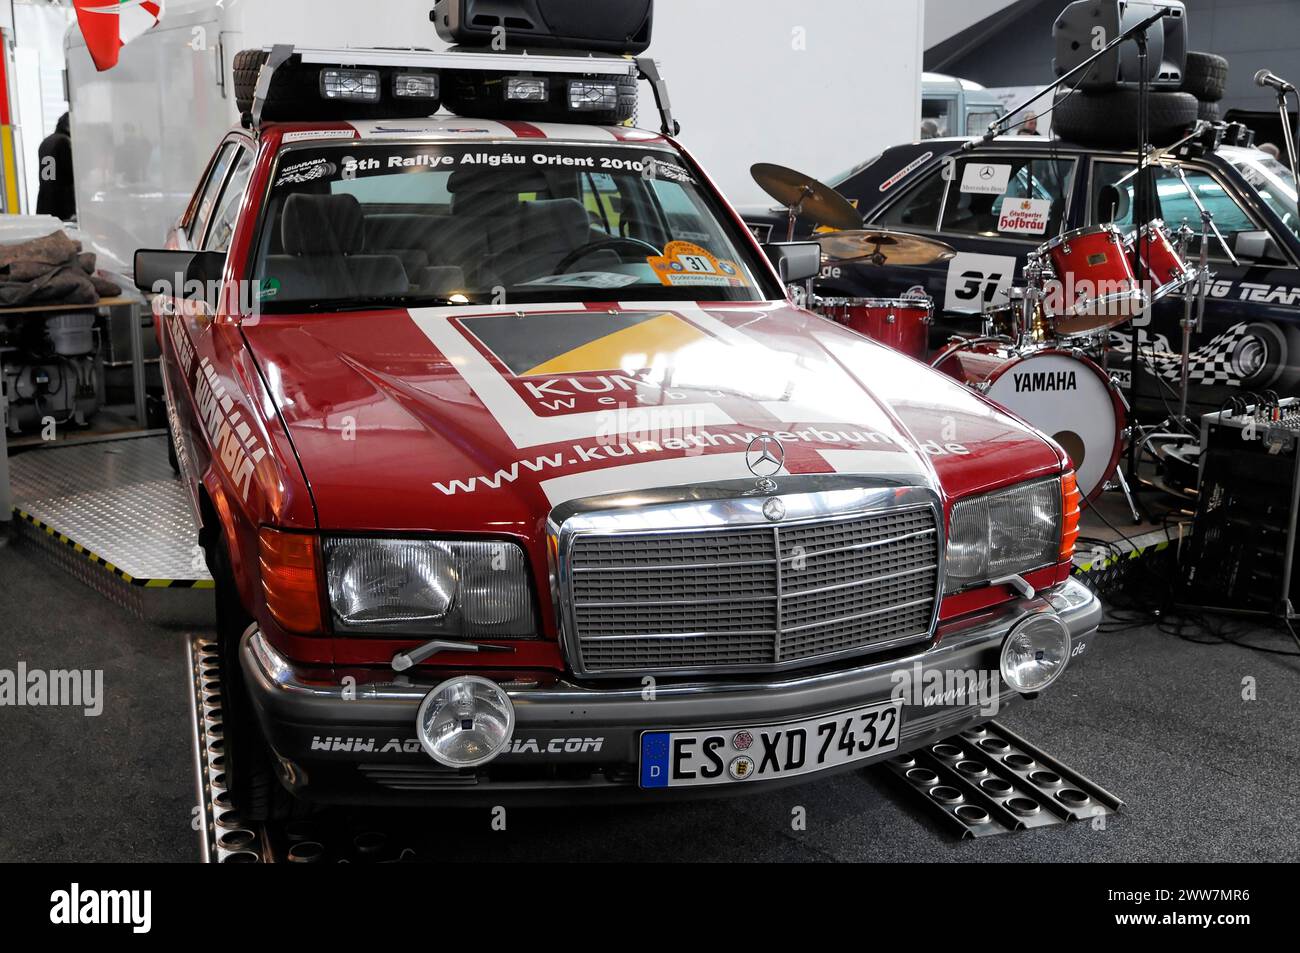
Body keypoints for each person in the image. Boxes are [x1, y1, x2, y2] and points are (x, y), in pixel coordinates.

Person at [36, 113, 76, 221]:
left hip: (44, 199)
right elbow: (70, 175)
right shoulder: (64, 142)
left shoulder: (46, 141)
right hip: (60, 203)